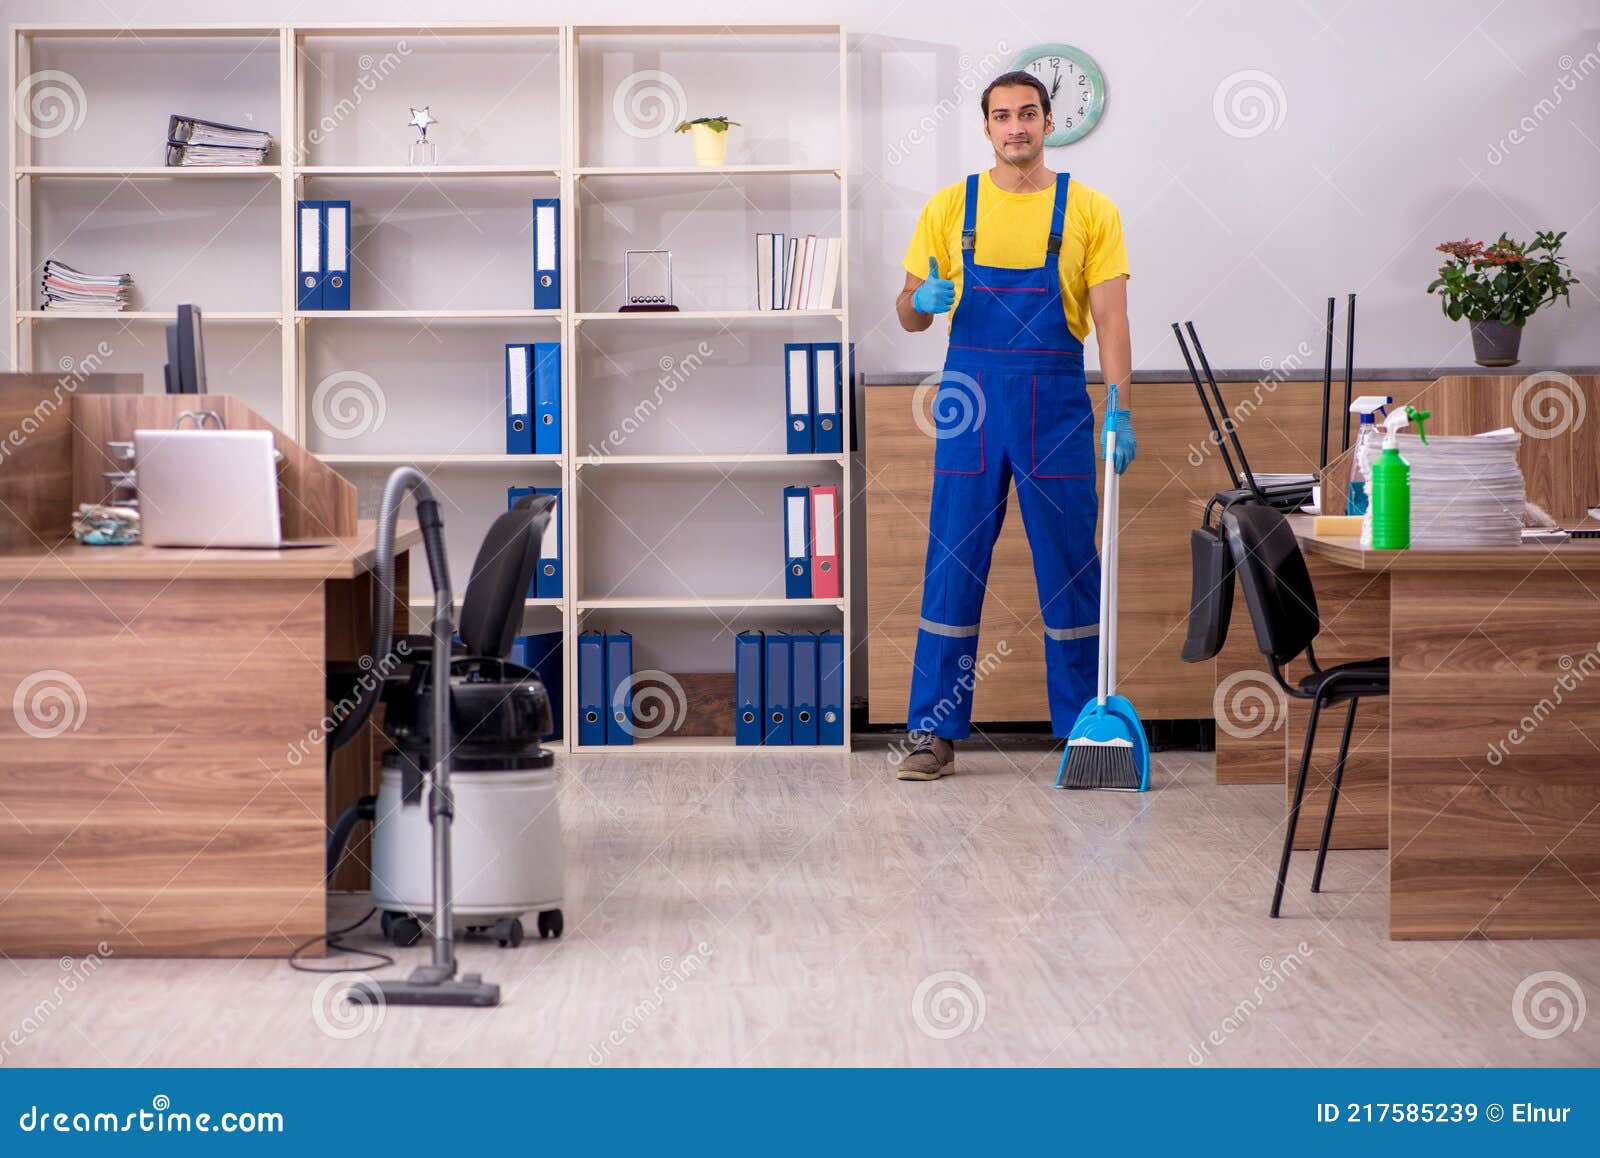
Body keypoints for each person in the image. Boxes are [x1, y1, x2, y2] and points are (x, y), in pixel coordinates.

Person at [894, 69, 1134, 782]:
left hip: (1055, 402)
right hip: (969, 402)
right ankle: (931, 732)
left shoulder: (1091, 210)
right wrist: (922, 299)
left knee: (1069, 563)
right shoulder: (949, 206)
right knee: (953, 563)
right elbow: (907, 310)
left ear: (1048, 119)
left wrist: (1120, 409)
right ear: (988, 126)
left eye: (1028, 113)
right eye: (1003, 116)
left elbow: (1113, 323)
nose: (1017, 127)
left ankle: (1084, 725)